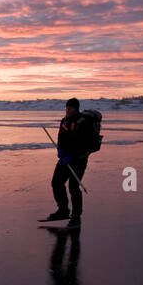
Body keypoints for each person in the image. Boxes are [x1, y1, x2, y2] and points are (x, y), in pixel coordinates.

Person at [42, 97, 96, 228]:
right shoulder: (64, 120)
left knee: (73, 186)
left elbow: (83, 142)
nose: (67, 110)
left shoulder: (83, 122)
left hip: (79, 159)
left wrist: (71, 154)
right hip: (65, 157)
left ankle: (76, 218)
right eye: (66, 108)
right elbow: (61, 137)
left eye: (70, 108)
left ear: (76, 108)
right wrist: (60, 150)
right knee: (56, 182)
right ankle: (63, 210)